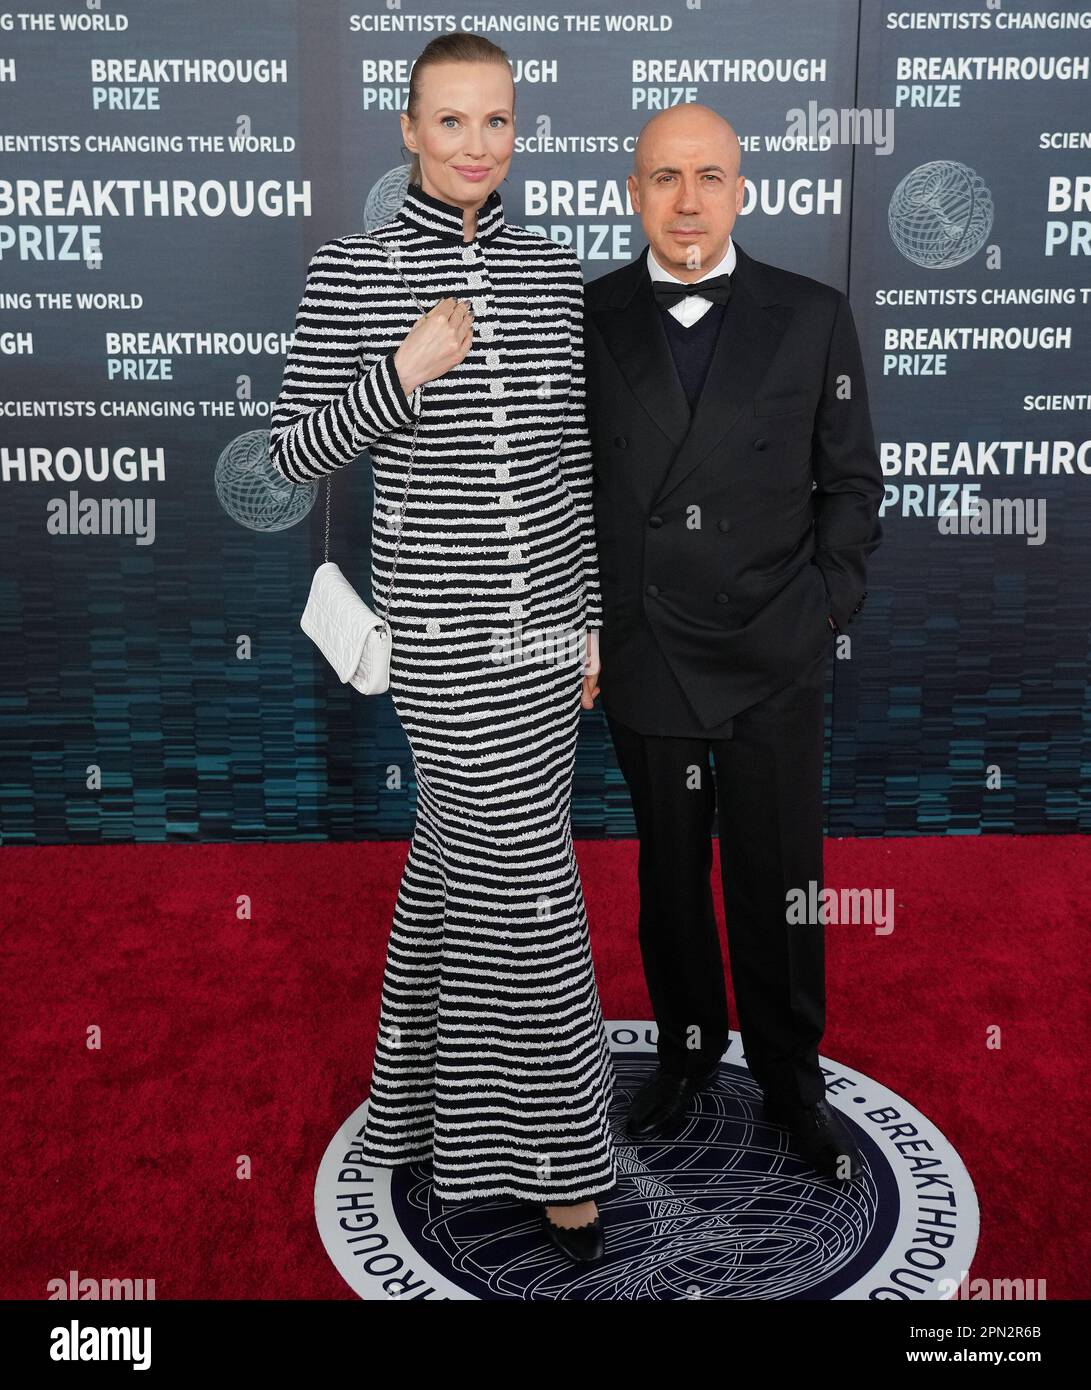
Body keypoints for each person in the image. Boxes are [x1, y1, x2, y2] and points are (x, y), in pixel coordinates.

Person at [268, 34, 615, 1263]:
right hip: (440, 639)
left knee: (458, 861)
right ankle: (546, 1154)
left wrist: (585, 619)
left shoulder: (550, 270)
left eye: (496, 123)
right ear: (407, 131)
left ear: (517, 132)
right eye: (450, 122)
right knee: (524, 876)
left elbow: (572, 466)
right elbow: (288, 457)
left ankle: (410, 1105)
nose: (474, 146)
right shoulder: (352, 269)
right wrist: (403, 369)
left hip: (541, 636)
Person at [583, 104, 883, 1179]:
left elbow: (849, 486)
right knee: (669, 878)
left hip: (774, 647)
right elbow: (574, 494)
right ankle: (685, 1054)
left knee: (777, 874)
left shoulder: (810, 314)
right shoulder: (591, 314)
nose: (688, 200)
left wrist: (819, 613)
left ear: (741, 188)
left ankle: (792, 1079)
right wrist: (588, 626)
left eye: (708, 175)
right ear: (631, 191)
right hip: (647, 649)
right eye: (664, 177)